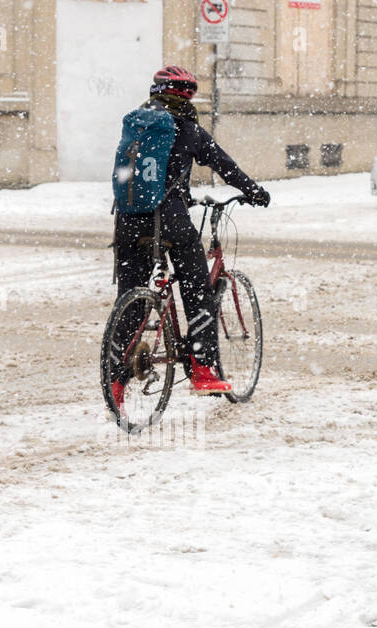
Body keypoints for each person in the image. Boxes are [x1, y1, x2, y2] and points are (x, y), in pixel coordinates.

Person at [110, 66, 270, 407]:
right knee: (199, 289)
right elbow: (225, 166)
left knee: (130, 299)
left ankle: (115, 380)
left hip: (127, 220)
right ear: (187, 96)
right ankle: (202, 368)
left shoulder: (136, 125)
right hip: (169, 220)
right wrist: (254, 191)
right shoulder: (188, 129)